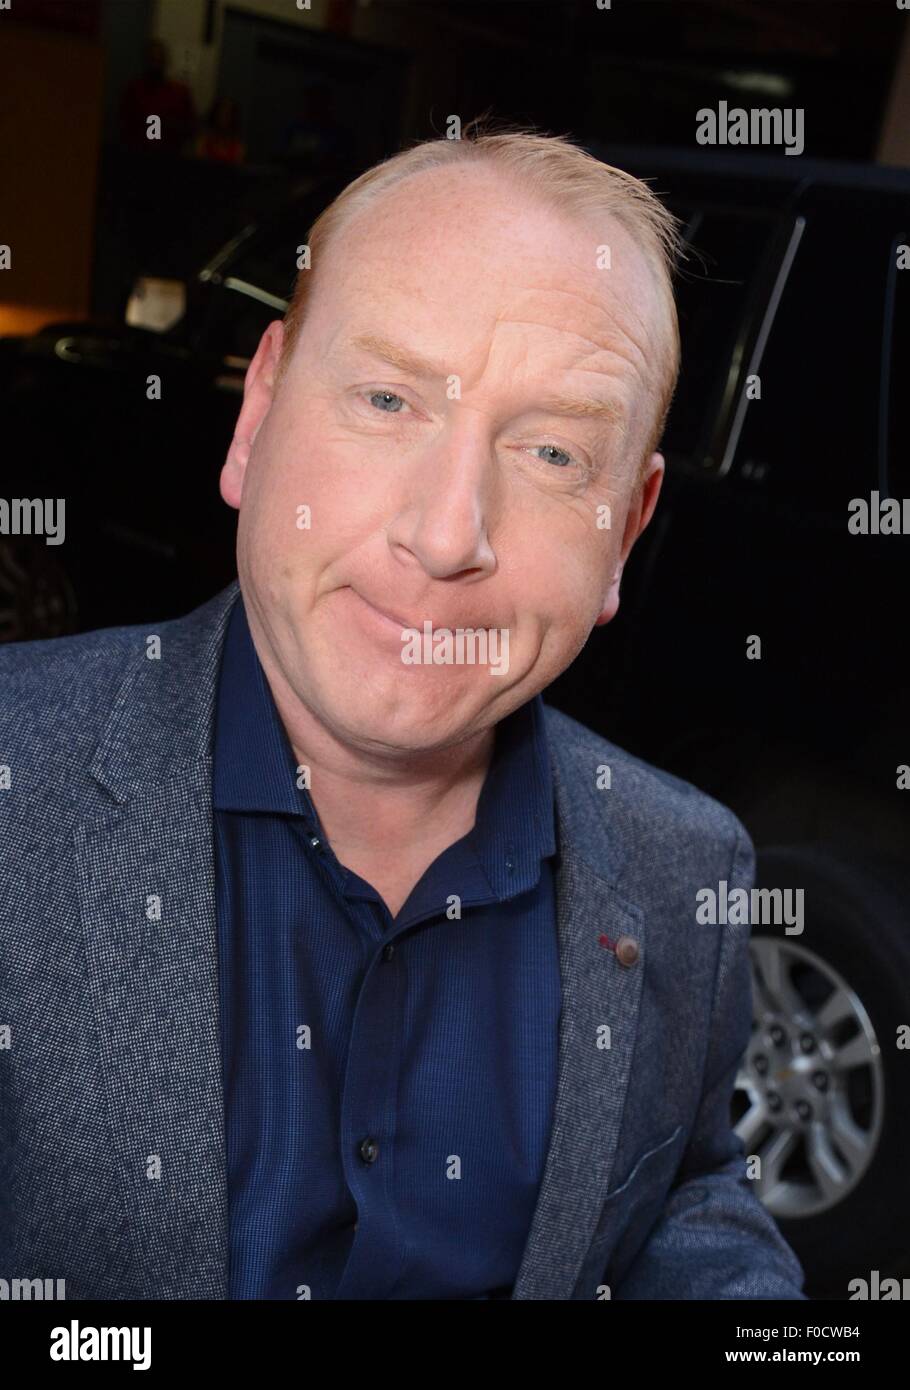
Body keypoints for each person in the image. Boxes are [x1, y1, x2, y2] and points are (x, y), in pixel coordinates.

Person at [0, 126, 808, 1300]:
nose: (444, 532)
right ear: (255, 413)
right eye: (385, 397)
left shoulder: (685, 868)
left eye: (548, 454)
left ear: (625, 531)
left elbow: (684, 1184)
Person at [119, 37, 197, 154]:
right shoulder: (134, 90)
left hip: (169, 154)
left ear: (165, 61)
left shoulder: (179, 93)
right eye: (152, 59)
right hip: (136, 152)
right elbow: (124, 122)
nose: (155, 63)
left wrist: (173, 129)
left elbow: (190, 125)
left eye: (158, 59)